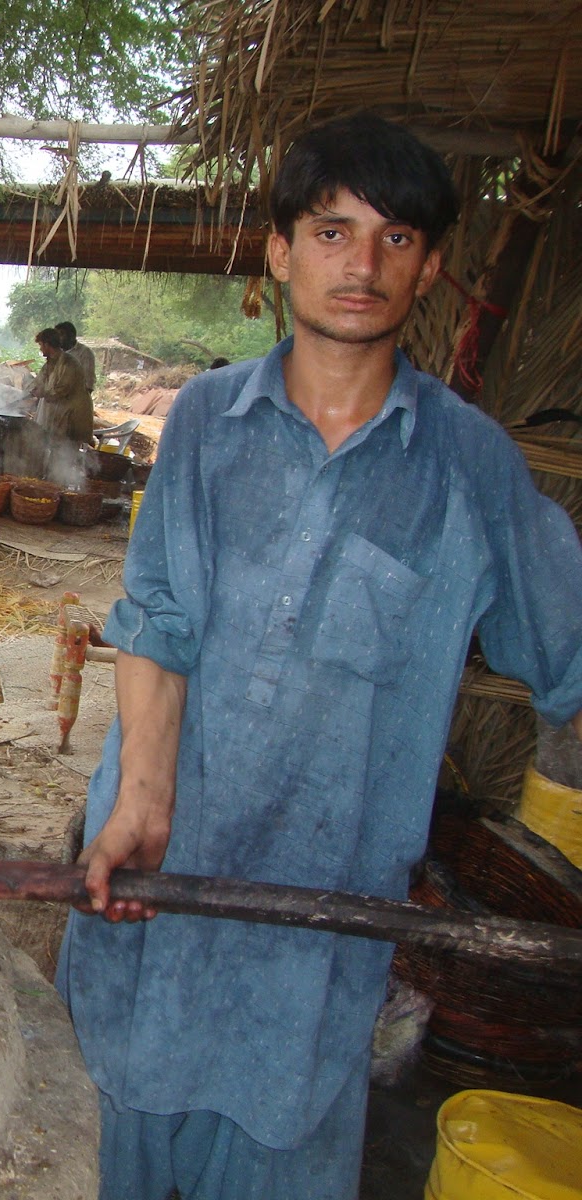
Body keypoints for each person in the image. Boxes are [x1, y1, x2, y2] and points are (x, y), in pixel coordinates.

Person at [56, 112, 582, 1200]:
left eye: (395, 240)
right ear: (280, 252)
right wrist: (143, 802)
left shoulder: (466, 466)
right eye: (332, 231)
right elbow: (156, 618)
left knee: (279, 1145)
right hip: (159, 876)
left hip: (317, 921)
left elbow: (566, 654)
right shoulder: (203, 421)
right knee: (118, 1135)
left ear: (431, 267)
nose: (362, 263)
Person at [28, 327, 95, 445]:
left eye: (41, 345)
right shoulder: (51, 362)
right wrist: (31, 390)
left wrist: (42, 393)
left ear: (47, 345)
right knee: (55, 448)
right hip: (61, 414)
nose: (40, 348)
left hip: (74, 414)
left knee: (68, 450)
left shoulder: (69, 363)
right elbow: (39, 381)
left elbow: (62, 390)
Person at [56, 320, 98, 395]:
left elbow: (89, 382)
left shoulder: (85, 353)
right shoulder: (56, 354)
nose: (58, 338)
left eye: (61, 334)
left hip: (77, 399)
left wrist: (80, 400)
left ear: (71, 336)